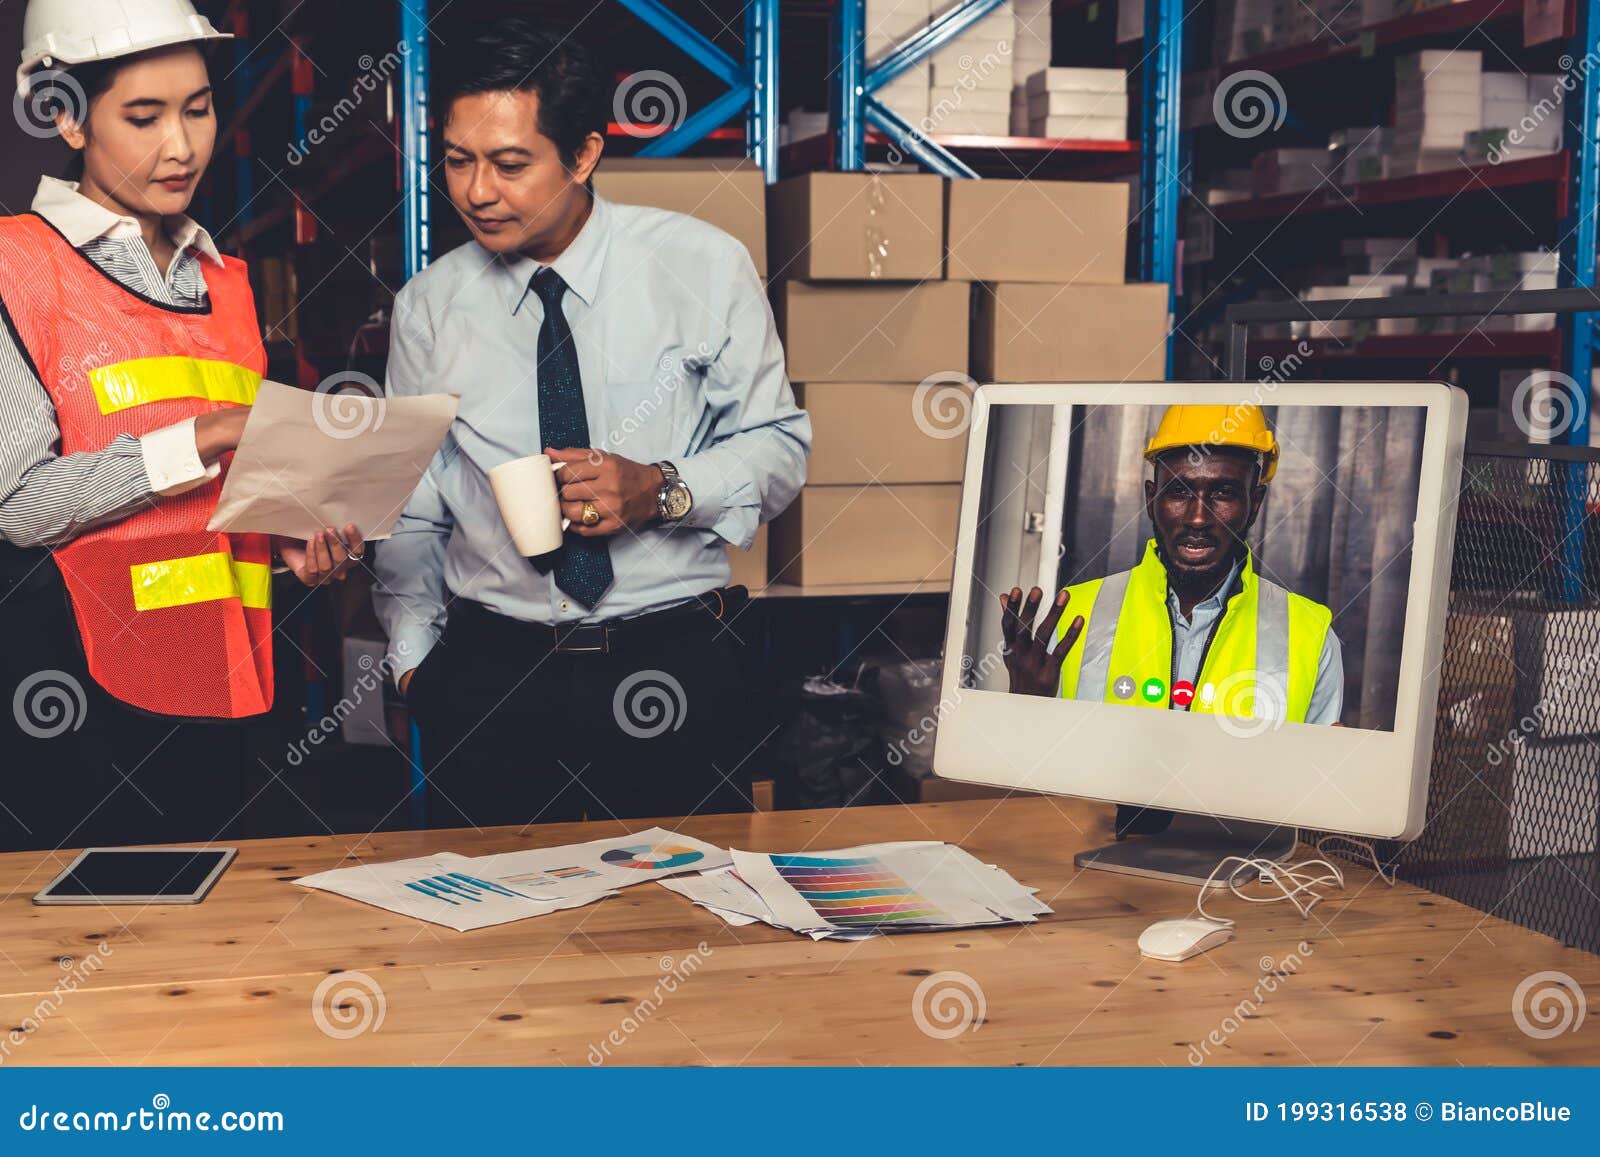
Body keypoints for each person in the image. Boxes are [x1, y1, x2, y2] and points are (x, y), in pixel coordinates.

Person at [372, 19, 810, 829]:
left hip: (671, 667)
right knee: (492, 936)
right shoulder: (429, 307)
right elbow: (412, 506)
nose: (475, 192)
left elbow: (781, 448)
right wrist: (411, 663)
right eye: (458, 160)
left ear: (583, 154)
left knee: (686, 929)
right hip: (490, 677)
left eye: (509, 164)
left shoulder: (702, 266)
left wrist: (662, 490)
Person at [0, 0, 363, 852]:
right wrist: (204, 437)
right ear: (64, 117)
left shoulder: (224, 281)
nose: (182, 145)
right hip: (73, 691)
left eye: (197, 109)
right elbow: (18, 504)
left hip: (223, 679)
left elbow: (230, 494)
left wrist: (292, 543)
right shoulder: (17, 266)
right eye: (143, 115)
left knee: (214, 956)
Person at [1001, 404, 1343, 726]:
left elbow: (1311, 783)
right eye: (1179, 492)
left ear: (1254, 504)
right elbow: (1034, 776)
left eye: (1223, 493)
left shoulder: (1311, 635)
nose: (1197, 518)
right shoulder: (1071, 619)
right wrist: (1026, 713)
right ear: (1152, 499)